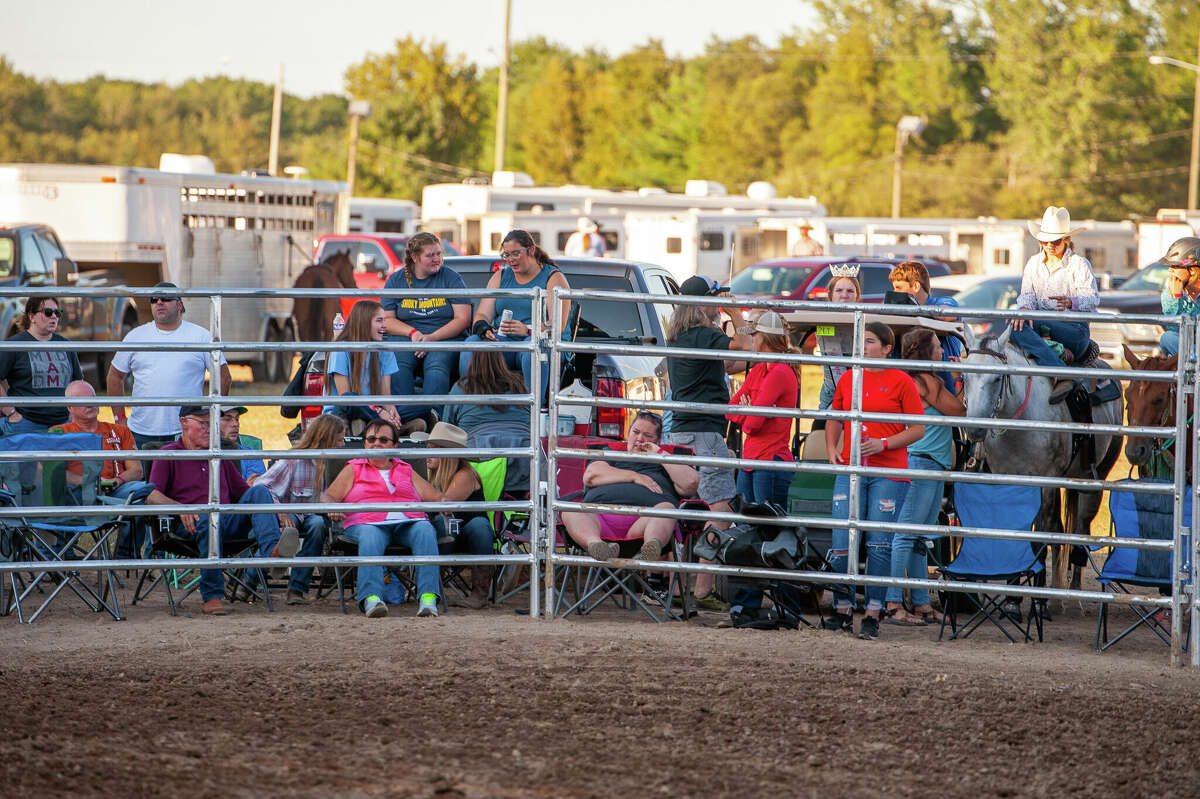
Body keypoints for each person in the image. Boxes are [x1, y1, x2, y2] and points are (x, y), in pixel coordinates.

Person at [146, 406, 299, 616]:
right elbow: (151, 494)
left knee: (260, 491)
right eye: (204, 424)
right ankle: (212, 596)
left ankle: (272, 552)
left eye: (213, 424)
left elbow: (245, 493)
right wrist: (179, 508)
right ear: (184, 423)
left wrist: (276, 509)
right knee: (210, 521)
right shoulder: (169, 454)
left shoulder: (219, 456)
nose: (210, 429)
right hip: (190, 526)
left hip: (227, 521)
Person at [823, 321, 925, 640]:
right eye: (860, 341)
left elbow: (917, 429)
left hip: (888, 472)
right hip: (852, 471)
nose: (862, 347)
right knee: (842, 541)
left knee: (878, 544)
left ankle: (872, 612)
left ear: (886, 348)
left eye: (868, 341)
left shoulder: (901, 381)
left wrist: (884, 444)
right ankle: (842, 608)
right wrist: (832, 448)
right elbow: (836, 415)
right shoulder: (850, 377)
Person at [664, 275, 752, 604]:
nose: (718, 307)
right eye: (714, 302)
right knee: (721, 509)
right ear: (704, 305)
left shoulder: (681, 336)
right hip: (705, 433)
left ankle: (674, 587)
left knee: (680, 509)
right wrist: (737, 314)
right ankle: (701, 588)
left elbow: (735, 362)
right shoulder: (703, 333)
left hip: (682, 432)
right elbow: (741, 348)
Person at [321, 417, 442, 618]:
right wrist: (331, 506)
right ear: (365, 443)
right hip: (366, 522)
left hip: (407, 523)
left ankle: (428, 598)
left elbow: (435, 496)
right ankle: (372, 599)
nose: (376, 443)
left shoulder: (405, 468)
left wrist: (447, 503)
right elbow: (329, 495)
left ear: (394, 445)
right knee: (370, 534)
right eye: (371, 439)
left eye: (384, 440)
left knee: (425, 529)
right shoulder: (354, 468)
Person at [884, 328, 965, 626]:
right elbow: (959, 411)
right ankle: (893, 603)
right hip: (924, 464)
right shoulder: (928, 382)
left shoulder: (910, 380)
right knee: (907, 534)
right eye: (938, 348)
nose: (942, 352)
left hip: (922, 463)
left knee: (918, 536)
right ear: (926, 351)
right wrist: (966, 380)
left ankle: (920, 604)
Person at [724, 311, 799, 623]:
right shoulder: (762, 370)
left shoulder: (779, 371)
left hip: (767, 461)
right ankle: (753, 603)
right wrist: (747, 411)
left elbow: (750, 422)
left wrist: (746, 411)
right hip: (757, 461)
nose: (750, 339)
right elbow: (734, 410)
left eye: (754, 335)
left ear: (764, 338)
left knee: (768, 534)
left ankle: (782, 604)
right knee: (750, 534)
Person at [107, 282, 231, 454]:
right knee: (144, 481)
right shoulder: (135, 336)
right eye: (154, 299)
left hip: (185, 433)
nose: (159, 302)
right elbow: (114, 376)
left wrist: (213, 414)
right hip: (140, 432)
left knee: (184, 481)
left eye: (165, 298)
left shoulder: (200, 336)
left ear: (180, 304)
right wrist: (119, 418)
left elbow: (223, 377)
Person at [562, 410, 698, 563]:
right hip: (600, 523)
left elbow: (690, 483)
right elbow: (591, 475)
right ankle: (597, 545)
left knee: (666, 509)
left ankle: (649, 548)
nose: (640, 439)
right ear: (629, 433)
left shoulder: (664, 463)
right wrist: (635, 477)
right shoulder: (612, 454)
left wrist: (659, 453)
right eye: (636, 432)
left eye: (648, 436)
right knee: (571, 510)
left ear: (658, 440)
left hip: (642, 525)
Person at [460, 229, 571, 400]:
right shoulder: (501, 276)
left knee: (532, 348)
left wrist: (528, 330)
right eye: (507, 255)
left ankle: (533, 411)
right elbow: (482, 313)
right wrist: (483, 328)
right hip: (504, 341)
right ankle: (471, 407)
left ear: (531, 250)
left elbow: (557, 325)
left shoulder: (553, 277)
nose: (511, 259)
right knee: (471, 344)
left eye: (516, 254)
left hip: (542, 343)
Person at [255, 413, 348, 605]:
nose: (343, 445)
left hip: (319, 516)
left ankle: (296, 588)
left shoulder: (342, 465)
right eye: (339, 440)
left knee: (317, 525)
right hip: (290, 512)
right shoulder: (294, 460)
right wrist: (279, 511)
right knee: (286, 529)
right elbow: (261, 486)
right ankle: (251, 578)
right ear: (326, 439)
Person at [382, 232, 471, 430]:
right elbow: (387, 319)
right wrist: (413, 333)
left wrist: (431, 338)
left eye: (439, 254)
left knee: (436, 368)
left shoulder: (451, 278)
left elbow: (463, 318)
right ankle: (403, 424)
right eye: (430, 255)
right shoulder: (396, 280)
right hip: (407, 337)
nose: (437, 259)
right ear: (415, 257)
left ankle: (435, 424)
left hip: (444, 337)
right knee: (397, 366)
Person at [0, 297, 85, 499]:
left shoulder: (65, 345)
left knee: (60, 483)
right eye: (48, 312)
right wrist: (10, 412)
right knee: (22, 485)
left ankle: (60, 528)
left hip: (61, 425)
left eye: (57, 312)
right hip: (26, 423)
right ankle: (19, 528)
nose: (54, 316)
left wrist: (75, 416)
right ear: (32, 316)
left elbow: (77, 383)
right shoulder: (14, 345)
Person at [1011, 206, 1098, 398]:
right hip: (1043, 328)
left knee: (1021, 326)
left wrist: (1071, 302)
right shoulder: (1033, 263)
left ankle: (1057, 369)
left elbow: (1092, 298)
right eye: (1045, 240)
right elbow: (1026, 295)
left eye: (1055, 241)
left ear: (1066, 240)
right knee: (1015, 326)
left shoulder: (1079, 264)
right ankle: (1055, 354)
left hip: (1074, 330)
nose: (1049, 245)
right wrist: (1024, 308)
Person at [422, 421, 497, 610]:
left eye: (433, 449)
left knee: (479, 525)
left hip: (467, 536)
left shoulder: (466, 474)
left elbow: (443, 505)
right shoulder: (427, 474)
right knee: (433, 525)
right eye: (427, 447)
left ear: (446, 454)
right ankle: (428, 589)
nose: (426, 454)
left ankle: (480, 593)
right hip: (440, 533)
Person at [323, 300, 414, 435]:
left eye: (384, 320)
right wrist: (378, 411)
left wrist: (391, 411)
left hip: (374, 409)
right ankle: (386, 427)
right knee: (351, 399)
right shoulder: (341, 349)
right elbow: (344, 397)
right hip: (345, 412)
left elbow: (386, 396)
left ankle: (388, 425)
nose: (384, 326)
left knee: (421, 407)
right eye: (379, 320)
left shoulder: (385, 350)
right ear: (363, 322)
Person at [888, 260, 962, 392]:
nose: (895, 293)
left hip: (945, 393)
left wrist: (910, 313)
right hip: (909, 392)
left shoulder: (943, 302)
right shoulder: (898, 311)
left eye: (899, 288)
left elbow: (945, 313)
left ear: (916, 286)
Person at [444, 349, 532, 447]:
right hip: (523, 448)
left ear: (472, 362)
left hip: (477, 452)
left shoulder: (460, 387)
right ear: (501, 360)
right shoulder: (519, 384)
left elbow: (446, 427)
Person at [818, 271, 862, 411]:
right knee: (819, 428)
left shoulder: (865, 321)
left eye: (850, 291)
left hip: (860, 389)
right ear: (831, 295)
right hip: (831, 391)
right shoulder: (821, 320)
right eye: (839, 290)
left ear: (857, 296)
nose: (844, 295)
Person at [1156, 236, 1200, 357]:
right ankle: (1192, 362)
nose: (1170, 271)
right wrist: (1176, 298)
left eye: (1176, 266)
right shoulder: (1168, 294)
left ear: (1193, 270)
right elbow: (1175, 328)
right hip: (1186, 346)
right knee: (1167, 338)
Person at [218, 406, 266, 482]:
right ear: (211, 422)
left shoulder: (250, 455)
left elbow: (255, 488)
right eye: (227, 419)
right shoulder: (201, 453)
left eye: (237, 419)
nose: (235, 424)